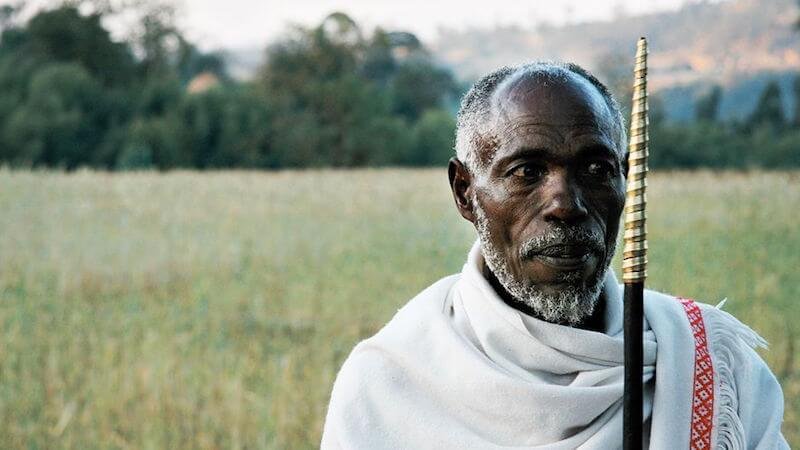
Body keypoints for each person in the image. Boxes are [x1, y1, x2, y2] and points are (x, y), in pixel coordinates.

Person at [321, 62, 788, 449]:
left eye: (595, 169)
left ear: (628, 182)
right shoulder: (388, 384)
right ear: (465, 193)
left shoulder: (712, 366)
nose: (565, 204)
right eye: (527, 171)